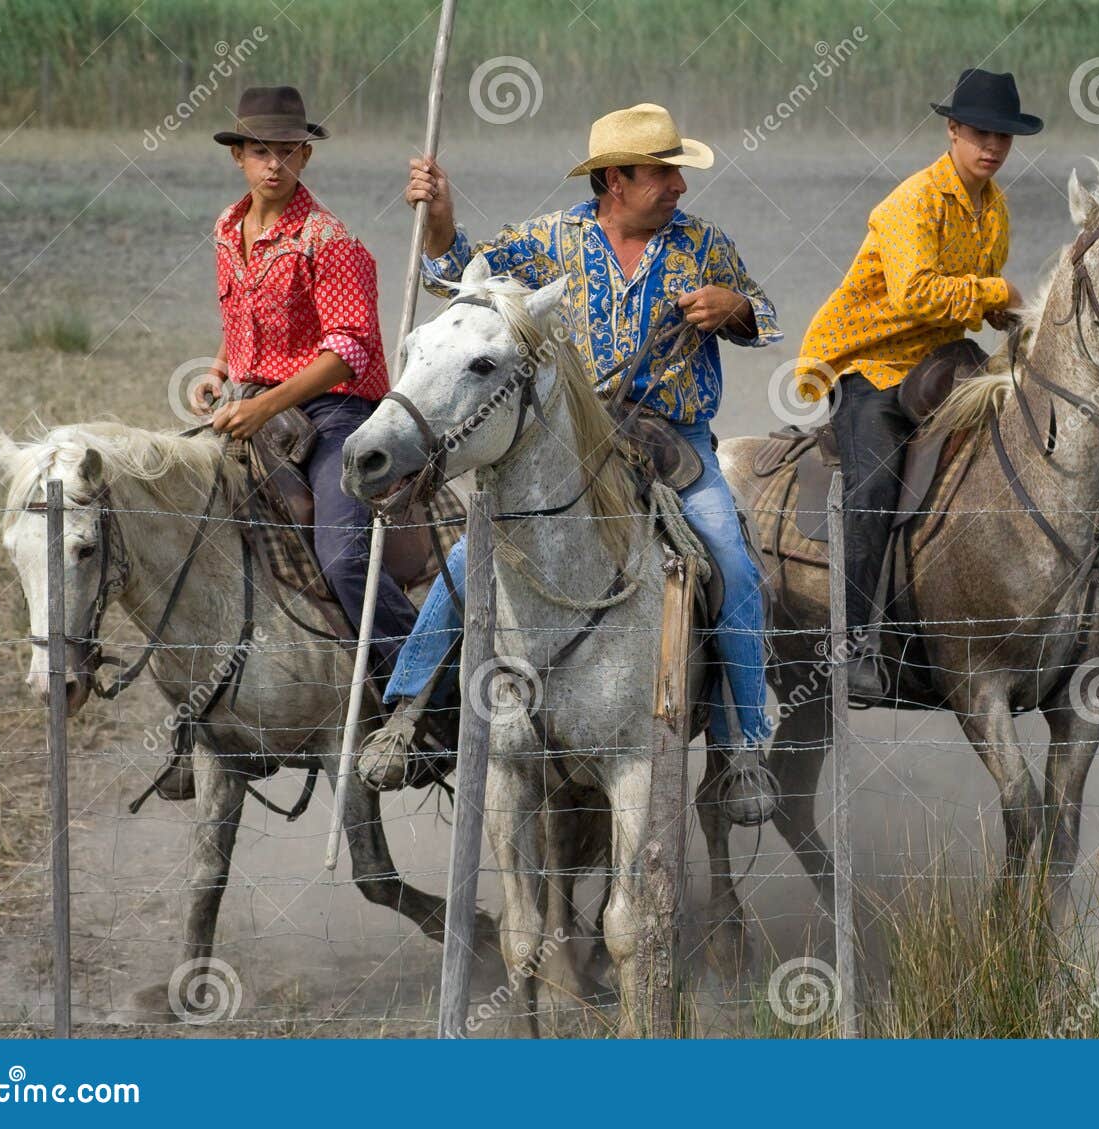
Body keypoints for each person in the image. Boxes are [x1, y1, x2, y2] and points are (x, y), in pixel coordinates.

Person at [356, 103, 782, 826]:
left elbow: (763, 317)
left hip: (674, 438)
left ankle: (743, 742)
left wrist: (732, 304)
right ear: (615, 178)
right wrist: (439, 215)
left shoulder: (702, 244)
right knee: (470, 553)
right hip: (575, 436)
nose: (678, 184)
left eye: (678, 171)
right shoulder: (549, 240)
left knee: (734, 562)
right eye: (662, 172)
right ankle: (407, 706)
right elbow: (459, 275)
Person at [796, 69, 1041, 697]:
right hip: (872, 362)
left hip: (939, 356)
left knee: (1016, 439)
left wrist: (1029, 322)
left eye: (1004, 137)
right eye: (981, 132)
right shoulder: (910, 203)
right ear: (953, 130)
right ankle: (850, 645)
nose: (992, 146)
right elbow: (915, 294)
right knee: (874, 485)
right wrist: (997, 292)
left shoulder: (995, 209)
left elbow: (982, 306)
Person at [202, 85, 417, 672]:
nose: (273, 164)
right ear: (238, 157)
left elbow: (347, 352)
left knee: (344, 557)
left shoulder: (331, 242)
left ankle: (422, 680)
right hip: (252, 399)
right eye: (260, 151)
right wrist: (222, 366)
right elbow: (246, 312)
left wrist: (266, 407)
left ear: (305, 156)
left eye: (286, 151)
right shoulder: (227, 227)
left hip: (334, 411)